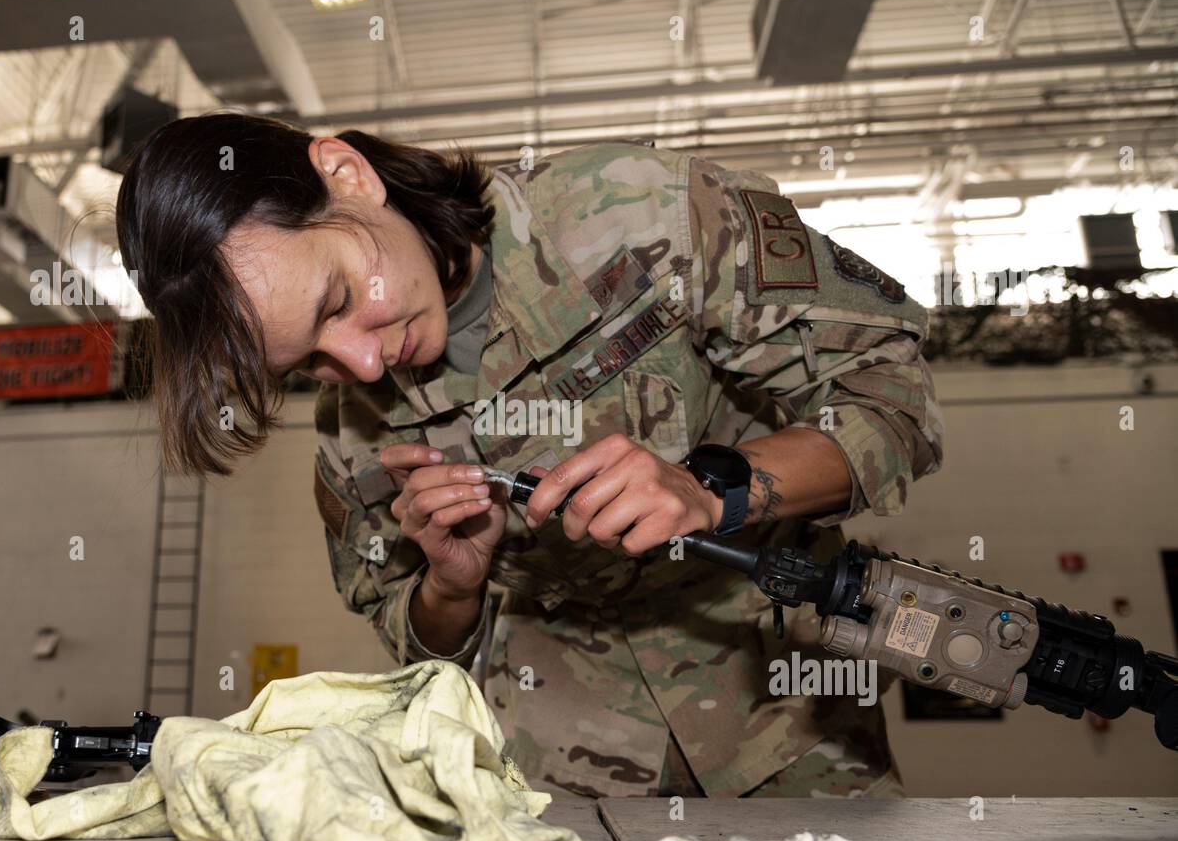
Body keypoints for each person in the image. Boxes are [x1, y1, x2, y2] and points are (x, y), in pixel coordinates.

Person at [116, 113, 944, 799]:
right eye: (310, 362)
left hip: (789, 724)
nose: (363, 367)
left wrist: (713, 489)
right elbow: (416, 647)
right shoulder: (353, 439)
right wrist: (451, 584)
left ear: (347, 173)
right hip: (562, 778)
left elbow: (892, 397)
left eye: (339, 298)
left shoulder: (642, 213)